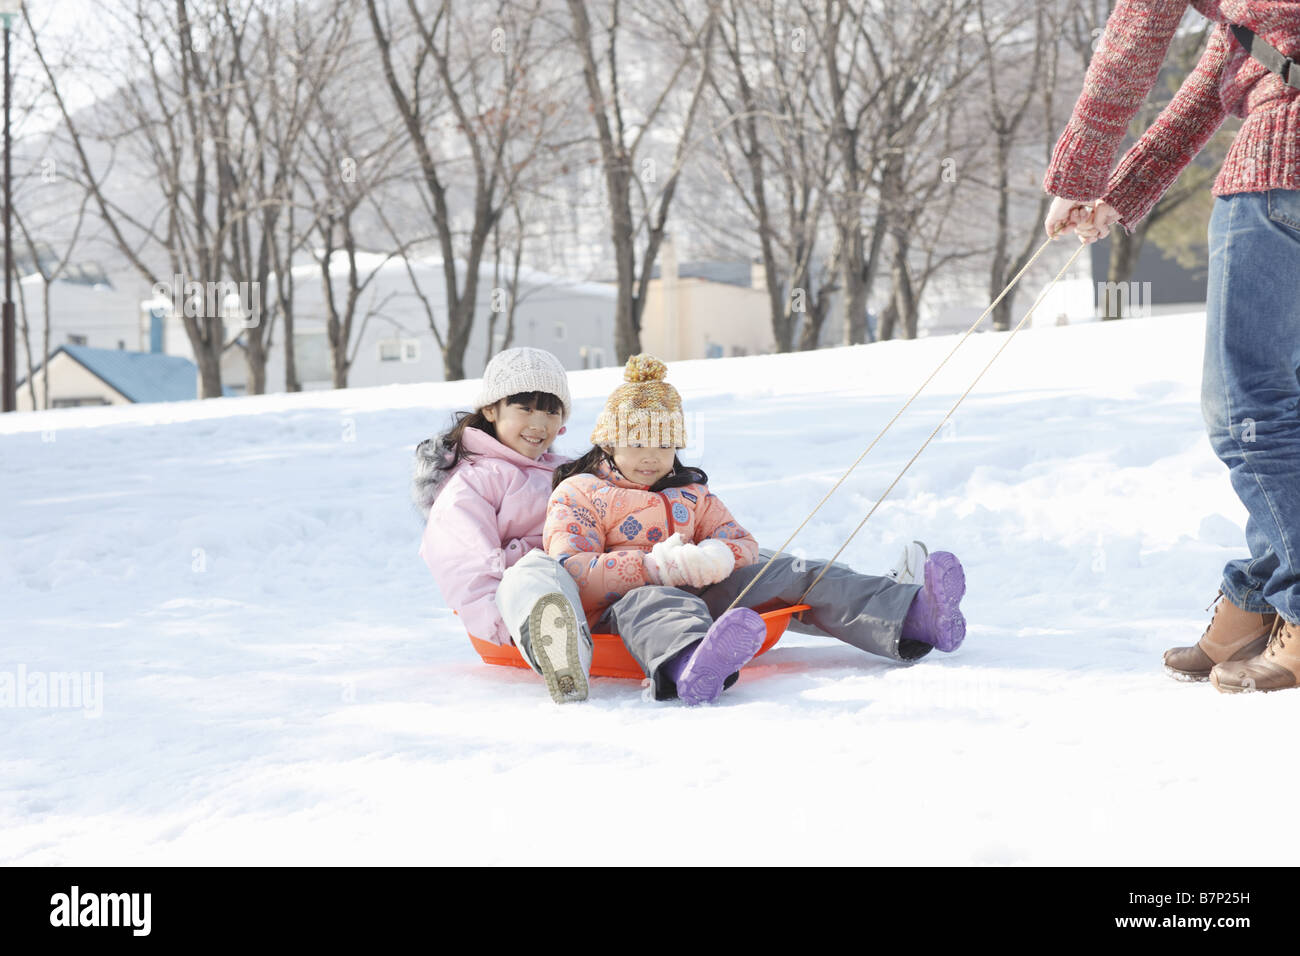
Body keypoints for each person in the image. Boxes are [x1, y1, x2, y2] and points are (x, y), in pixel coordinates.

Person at [1042, 1, 1300, 692]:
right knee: (1282, 407)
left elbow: (1136, 34)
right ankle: (1256, 597)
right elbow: (1241, 52)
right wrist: (1118, 193)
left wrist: (1078, 173)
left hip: (1285, 170)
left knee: (1249, 410)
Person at [543, 354, 968, 705]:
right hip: (625, 614)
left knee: (789, 568)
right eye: (636, 444)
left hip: (703, 595)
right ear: (608, 443)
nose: (651, 457)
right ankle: (691, 664)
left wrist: (719, 556)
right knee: (653, 602)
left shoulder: (690, 493)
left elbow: (740, 540)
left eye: (664, 445)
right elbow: (572, 570)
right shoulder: (580, 493)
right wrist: (654, 570)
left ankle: (914, 615)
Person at [414, 347, 594, 704]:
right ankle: (559, 653)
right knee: (532, 572)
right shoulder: (473, 482)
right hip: (519, 607)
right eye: (525, 408)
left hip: (592, 582)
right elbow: (464, 560)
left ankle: (689, 627)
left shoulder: (570, 473)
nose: (539, 423)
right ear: (491, 409)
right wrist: (500, 624)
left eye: (550, 410)